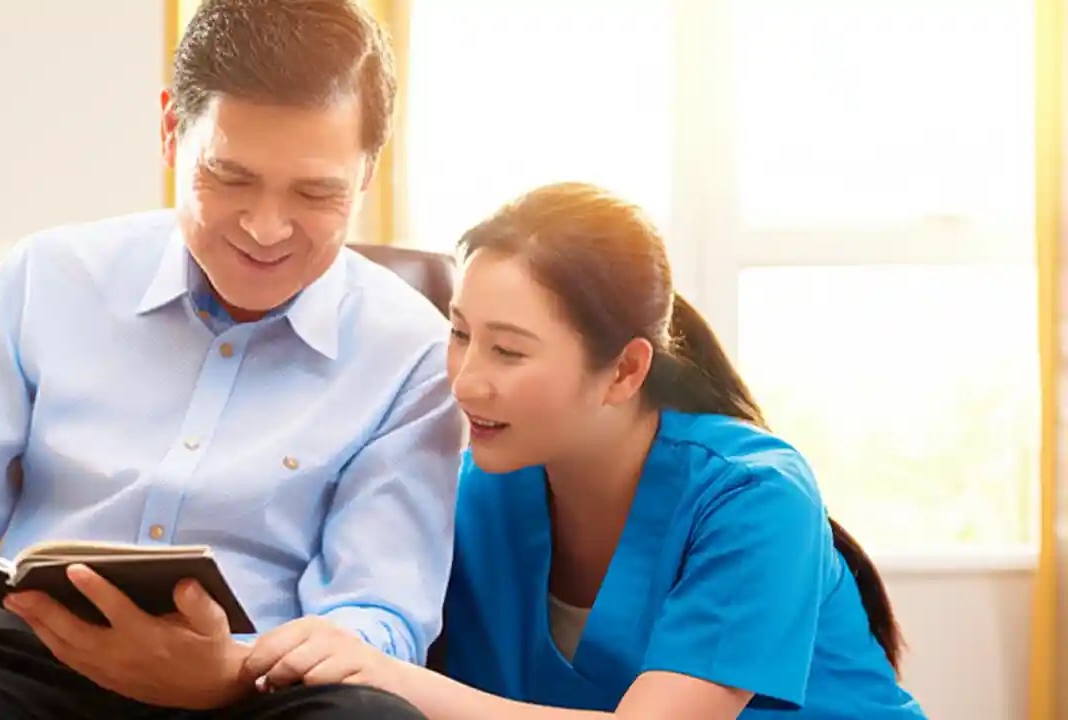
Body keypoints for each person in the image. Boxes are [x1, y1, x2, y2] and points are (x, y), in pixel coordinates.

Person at [0, 1, 461, 718]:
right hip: (26, 673)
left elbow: (377, 616)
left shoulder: (412, 351)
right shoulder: (49, 277)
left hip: (265, 693)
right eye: (230, 177)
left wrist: (235, 671)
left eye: (316, 192)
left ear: (367, 173)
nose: (266, 229)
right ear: (171, 132)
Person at [239, 182, 929, 719]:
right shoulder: (474, 497)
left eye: (509, 351)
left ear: (625, 370)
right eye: (460, 334)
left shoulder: (754, 496)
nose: (466, 380)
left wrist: (389, 678)